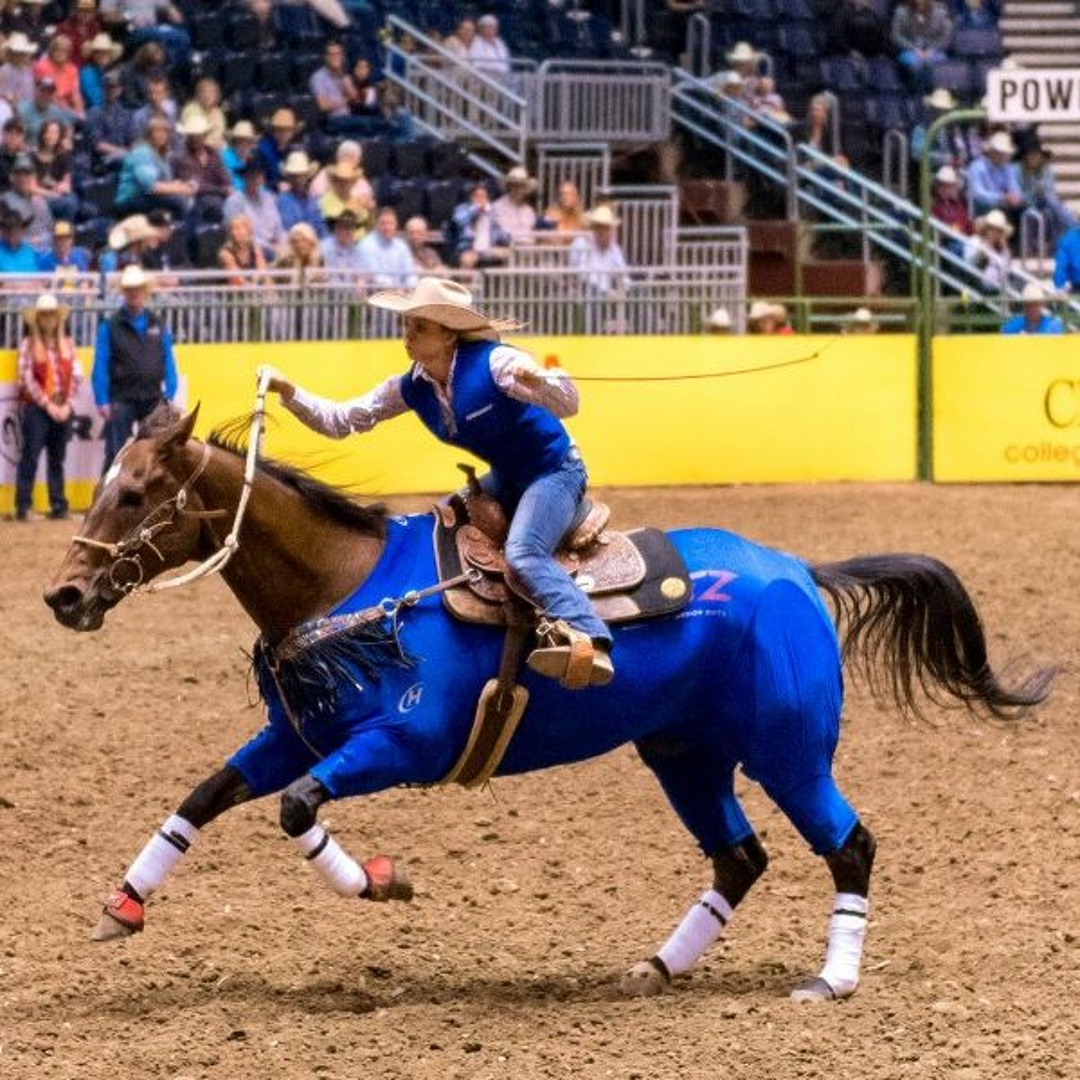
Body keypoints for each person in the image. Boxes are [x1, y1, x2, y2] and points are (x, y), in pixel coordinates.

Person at [264, 276, 614, 687]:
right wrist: (289, 392)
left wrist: (541, 379)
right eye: (406, 326)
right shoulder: (412, 386)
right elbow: (343, 421)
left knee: (524, 552)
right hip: (508, 478)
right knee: (438, 529)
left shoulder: (498, 363)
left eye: (420, 327)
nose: (407, 336)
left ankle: (589, 634)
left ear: (449, 336)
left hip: (555, 472)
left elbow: (569, 404)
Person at [92, 263, 179, 473]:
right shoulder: (110, 326)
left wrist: (169, 393)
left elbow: (168, 360)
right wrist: (102, 399)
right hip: (121, 397)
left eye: (137, 288)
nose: (134, 293)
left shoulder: (158, 323)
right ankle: (108, 499)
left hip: (152, 397)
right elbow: (100, 364)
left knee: (158, 451)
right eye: (130, 289)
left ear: (144, 291)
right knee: (115, 452)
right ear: (124, 292)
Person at [15, 292, 83, 521]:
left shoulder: (68, 345)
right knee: (31, 455)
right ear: (38, 318)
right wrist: (48, 404)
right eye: (44, 315)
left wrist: (68, 404)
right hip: (37, 408)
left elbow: (76, 377)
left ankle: (58, 505)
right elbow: (26, 378)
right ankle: (23, 506)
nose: (48, 319)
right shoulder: (28, 345)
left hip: (62, 405)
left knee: (57, 457)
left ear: (57, 317)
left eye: (52, 314)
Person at [116, 116, 194, 220]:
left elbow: (164, 182)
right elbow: (151, 187)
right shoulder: (142, 152)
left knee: (191, 201)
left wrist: (179, 185)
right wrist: (179, 188)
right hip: (131, 200)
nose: (162, 135)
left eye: (165, 132)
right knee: (176, 202)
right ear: (149, 134)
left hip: (150, 198)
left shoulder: (162, 155)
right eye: (157, 131)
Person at [223, 157, 284, 259]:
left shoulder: (269, 198)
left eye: (258, 176)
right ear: (245, 177)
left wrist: (281, 243)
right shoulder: (234, 201)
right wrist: (269, 246)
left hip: (272, 247)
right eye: (252, 176)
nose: (255, 179)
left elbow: (278, 228)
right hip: (248, 249)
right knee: (268, 254)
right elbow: (234, 234)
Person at [891, 0, 953, 93]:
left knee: (938, 64)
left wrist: (932, 49)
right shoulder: (901, 12)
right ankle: (917, 96)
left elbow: (946, 37)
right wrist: (913, 49)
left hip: (934, 51)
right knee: (917, 64)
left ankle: (934, 95)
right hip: (910, 50)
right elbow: (896, 36)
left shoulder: (940, 12)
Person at [570, 205, 630, 299]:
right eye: (602, 227)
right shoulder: (582, 243)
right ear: (595, 228)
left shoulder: (614, 248)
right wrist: (606, 292)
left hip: (609, 294)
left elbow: (622, 273)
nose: (607, 232)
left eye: (608, 228)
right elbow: (582, 275)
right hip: (584, 293)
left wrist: (625, 289)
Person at [967, 130, 1025, 224]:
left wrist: (1016, 197)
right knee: (1005, 212)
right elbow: (977, 194)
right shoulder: (977, 167)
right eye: (999, 152)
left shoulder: (1007, 168)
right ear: (991, 152)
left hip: (1003, 207)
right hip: (982, 209)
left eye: (1005, 153)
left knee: (1024, 209)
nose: (1003, 156)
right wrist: (1001, 198)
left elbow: (1014, 187)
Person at [449, 182, 510, 269]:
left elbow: (503, 235)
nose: (481, 199)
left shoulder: (493, 211)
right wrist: (475, 209)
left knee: (508, 254)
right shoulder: (463, 209)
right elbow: (458, 221)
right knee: (467, 260)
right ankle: (466, 283)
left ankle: (505, 282)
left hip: (489, 247)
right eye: (477, 196)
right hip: (469, 247)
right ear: (471, 197)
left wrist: (494, 219)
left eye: (483, 196)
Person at [86, 68, 135, 171]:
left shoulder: (126, 113)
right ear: (103, 89)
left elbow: (131, 140)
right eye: (107, 87)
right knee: (126, 160)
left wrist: (132, 152)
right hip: (102, 160)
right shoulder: (94, 112)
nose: (111, 91)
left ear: (120, 90)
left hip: (123, 155)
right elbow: (98, 145)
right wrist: (123, 152)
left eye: (114, 87)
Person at [357, 206, 414, 289]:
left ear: (396, 225)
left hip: (400, 294)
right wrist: (398, 290)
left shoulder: (401, 245)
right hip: (375, 294)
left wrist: (410, 287)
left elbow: (410, 273)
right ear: (375, 224)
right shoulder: (366, 245)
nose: (387, 227)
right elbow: (376, 276)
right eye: (383, 223)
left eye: (391, 223)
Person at [31, 118, 77, 222]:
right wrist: (52, 192)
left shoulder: (64, 156)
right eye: (47, 132)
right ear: (42, 134)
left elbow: (66, 185)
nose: (51, 136)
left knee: (71, 200)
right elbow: (32, 187)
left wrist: (53, 185)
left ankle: (63, 231)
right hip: (39, 196)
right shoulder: (32, 155)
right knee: (69, 203)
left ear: (59, 136)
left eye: (55, 132)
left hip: (58, 195)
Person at [32, 34, 84, 121]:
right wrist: (69, 112)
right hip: (47, 106)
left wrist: (80, 112)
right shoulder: (41, 66)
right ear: (51, 51)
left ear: (69, 54)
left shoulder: (72, 69)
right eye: (57, 50)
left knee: (84, 120)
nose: (60, 53)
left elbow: (76, 94)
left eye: (65, 51)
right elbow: (48, 95)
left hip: (66, 108)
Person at [277, 150, 327, 238]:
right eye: (294, 176)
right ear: (289, 178)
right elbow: (289, 228)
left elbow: (321, 228)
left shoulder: (314, 200)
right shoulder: (283, 200)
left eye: (301, 175)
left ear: (307, 176)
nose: (298, 179)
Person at [964, 209, 1012, 291]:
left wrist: (1005, 249)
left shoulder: (1000, 247)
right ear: (986, 228)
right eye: (992, 229)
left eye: (999, 230)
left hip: (1001, 285)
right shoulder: (974, 241)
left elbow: (1007, 267)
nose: (995, 233)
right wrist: (981, 254)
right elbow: (968, 265)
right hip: (980, 286)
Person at [491, 165, 538, 245]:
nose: (519, 190)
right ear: (509, 187)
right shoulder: (498, 207)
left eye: (522, 186)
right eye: (515, 185)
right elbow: (503, 235)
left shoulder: (528, 209)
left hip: (529, 250)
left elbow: (531, 232)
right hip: (507, 249)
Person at [178, 75, 226, 152]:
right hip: (191, 146)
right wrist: (212, 142)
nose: (207, 95)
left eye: (211, 92)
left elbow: (218, 135)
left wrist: (215, 142)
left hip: (213, 147)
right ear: (198, 95)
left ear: (217, 95)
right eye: (203, 91)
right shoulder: (190, 109)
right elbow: (193, 135)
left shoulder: (218, 113)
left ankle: (237, 164)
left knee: (226, 150)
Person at [79, 32, 123, 112]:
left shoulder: (113, 71)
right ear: (93, 55)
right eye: (98, 52)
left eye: (105, 52)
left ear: (110, 55)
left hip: (112, 109)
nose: (102, 55)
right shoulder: (87, 72)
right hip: (94, 111)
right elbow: (95, 99)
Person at [36, 219, 90, 284]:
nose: (63, 241)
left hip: (74, 292)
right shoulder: (44, 260)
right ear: (54, 240)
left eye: (67, 237)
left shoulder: (78, 258)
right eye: (59, 238)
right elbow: (41, 284)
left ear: (72, 240)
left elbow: (84, 282)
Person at [217, 213, 267, 284]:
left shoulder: (255, 248)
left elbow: (262, 270)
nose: (235, 232)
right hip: (232, 291)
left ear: (248, 230)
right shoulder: (225, 253)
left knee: (268, 279)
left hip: (253, 288)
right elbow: (237, 278)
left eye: (238, 228)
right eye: (233, 229)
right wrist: (252, 288)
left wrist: (258, 281)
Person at [930, 164, 973, 237]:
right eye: (942, 185)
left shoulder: (958, 205)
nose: (946, 189)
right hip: (949, 240)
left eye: (949, 186)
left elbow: (968, 225)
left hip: (962, 237)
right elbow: (936, 229)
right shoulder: (935, 206)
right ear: (937, 187)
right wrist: (951, 229)